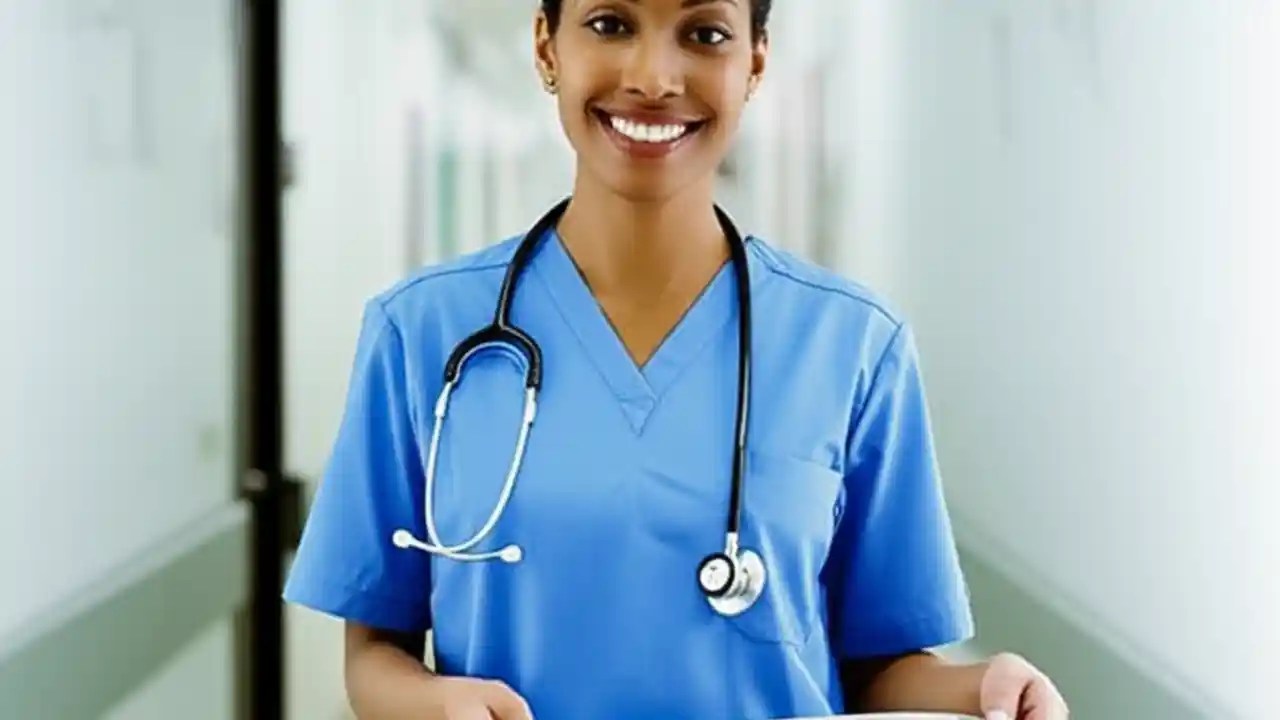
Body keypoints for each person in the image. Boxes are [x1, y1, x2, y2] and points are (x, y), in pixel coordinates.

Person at [283, 0, 1070, 718]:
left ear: (755, 62)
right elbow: (375, 652)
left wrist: (981, 688)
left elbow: (878, 667)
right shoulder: (420, 332)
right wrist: (433, 706)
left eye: (705, 34)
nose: (654, 78)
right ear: (545, 44)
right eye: (610, 24)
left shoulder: (855, 346)